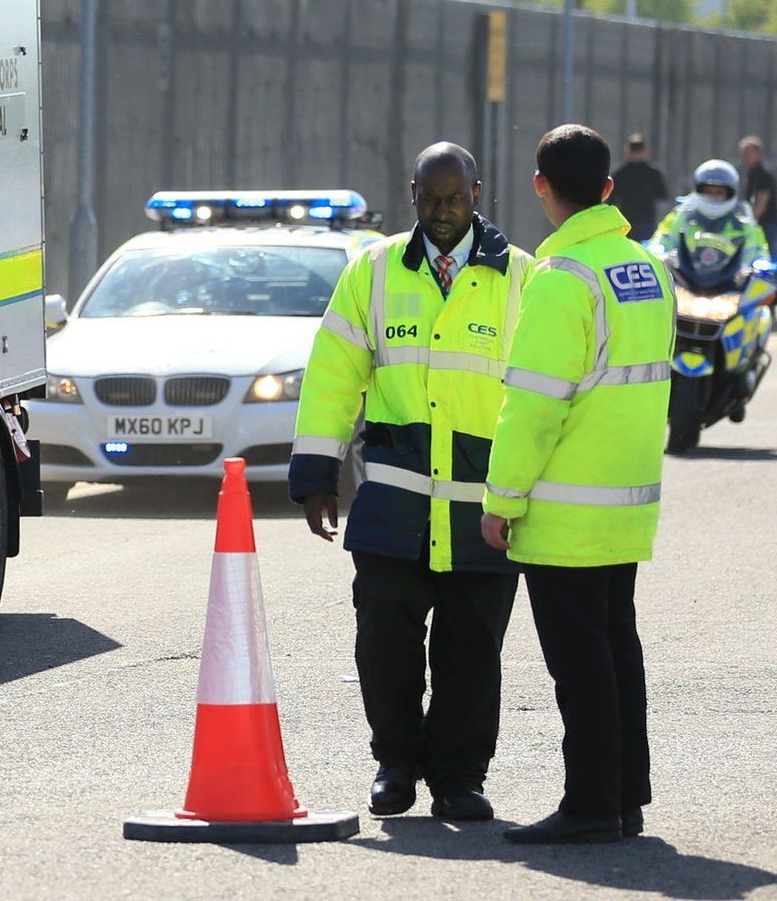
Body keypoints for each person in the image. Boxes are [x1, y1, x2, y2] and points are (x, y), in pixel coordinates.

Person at [290, 142, 531, 823]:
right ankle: (394, 764)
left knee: (471, 654)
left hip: (485, 509)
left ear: (477, 195)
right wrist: (316, 475)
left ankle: (458, 779)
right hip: (393, 506)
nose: (444, 212)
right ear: (413, 194)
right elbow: (334, 375)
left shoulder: (522, 278)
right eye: (431, 198)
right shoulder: (372, 272)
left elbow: (543, 393)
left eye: (456, 198)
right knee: (384, 644)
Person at [482, 124, 673, 844]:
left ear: (541, 187)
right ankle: (624, 798)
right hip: (625, 501)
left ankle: (592, 805)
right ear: (609, 188)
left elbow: (532, 406)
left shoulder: (563, 280)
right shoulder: (646, 268)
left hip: (563, 511)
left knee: (580, 663)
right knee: (617, 646)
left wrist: (501, 500)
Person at [650, 158, 771, 271]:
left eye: (719, 192)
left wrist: (761, 264)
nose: (713, 196)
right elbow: (662, 239)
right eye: (708, 192)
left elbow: (758, 253)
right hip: (683, 285)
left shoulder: (744, 226)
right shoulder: (681, 217)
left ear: (730, 194)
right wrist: (656, 251)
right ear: (698, 190)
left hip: (732, 288)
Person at [608, 134, 669, 243]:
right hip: (637, 221)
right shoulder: (652, 173)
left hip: (632, 221)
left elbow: (611, 200)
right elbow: (662, 194)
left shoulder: (620, 173)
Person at [740, 136, 777, 245]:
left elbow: (761, 202)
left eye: (748, 153)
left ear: (757, 154)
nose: (745, 157)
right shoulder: (751, 174)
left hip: (767, 224)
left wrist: (750, 222)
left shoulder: (763, 175)